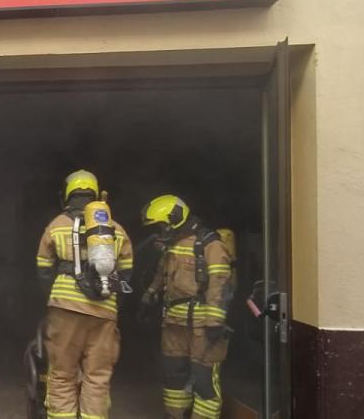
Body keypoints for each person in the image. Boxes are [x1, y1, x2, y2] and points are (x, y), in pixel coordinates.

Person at [35, 169, 134, 419]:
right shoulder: (115, 229)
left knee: (62, 374)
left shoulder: (57, 225)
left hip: (65, 308)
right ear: (97, 194)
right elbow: (126, 274)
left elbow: (43, 269)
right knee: (98, 377)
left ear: (67, 195)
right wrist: (111, 303)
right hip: (104, 310)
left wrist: (54, 298)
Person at [139, 195, 235, 419]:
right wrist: (148, 297)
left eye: (161, 225)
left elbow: (220, 284)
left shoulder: (211, 245)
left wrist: (214, 322)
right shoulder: (173, 246)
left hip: (203, 328)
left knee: (203, 381)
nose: (160, 231)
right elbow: (161, 275)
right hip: (173, 324)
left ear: (174, 219)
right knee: (173, 377)